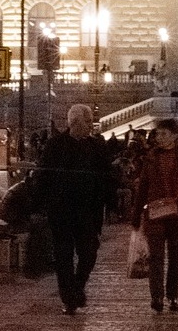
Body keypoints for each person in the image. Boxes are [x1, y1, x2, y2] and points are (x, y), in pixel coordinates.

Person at [39, 104, 113, 315]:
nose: (91, 126)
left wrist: (111, 203)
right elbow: (43, 176)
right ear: (75, 123)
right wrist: (38, 205)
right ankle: (68, 298)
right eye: (88, 122)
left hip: (88, 211)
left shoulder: (97, 145)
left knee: (89, 253)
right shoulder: (56, 145)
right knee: (63, 256)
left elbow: (106, 177)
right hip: (61, 210)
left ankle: (77, 286)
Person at [129, 118, 178, 314]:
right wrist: (136, 215)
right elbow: (142, 187)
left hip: (177, 214)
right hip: (155, 213)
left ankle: (173, 295)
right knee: (156, 257)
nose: (158, 138)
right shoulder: (151, 157)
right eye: (157, 134)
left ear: (174, 136)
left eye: (163, 134)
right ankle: (157, 297)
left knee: (176, 258)